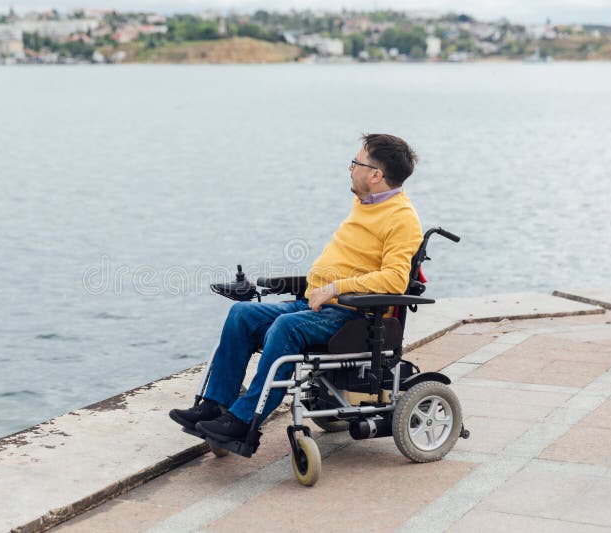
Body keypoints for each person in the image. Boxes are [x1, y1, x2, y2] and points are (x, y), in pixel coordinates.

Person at [169, 133, 424, 446]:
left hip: (353, 315)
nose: (350, 168)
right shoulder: (365, 204)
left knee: (286, 327)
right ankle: (216, 405)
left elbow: (395, 280)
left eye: (356, 162)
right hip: (316, 304)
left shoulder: (402, 219)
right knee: (241, 314)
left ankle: (245, 420)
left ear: (376, 175)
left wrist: (334, 288)